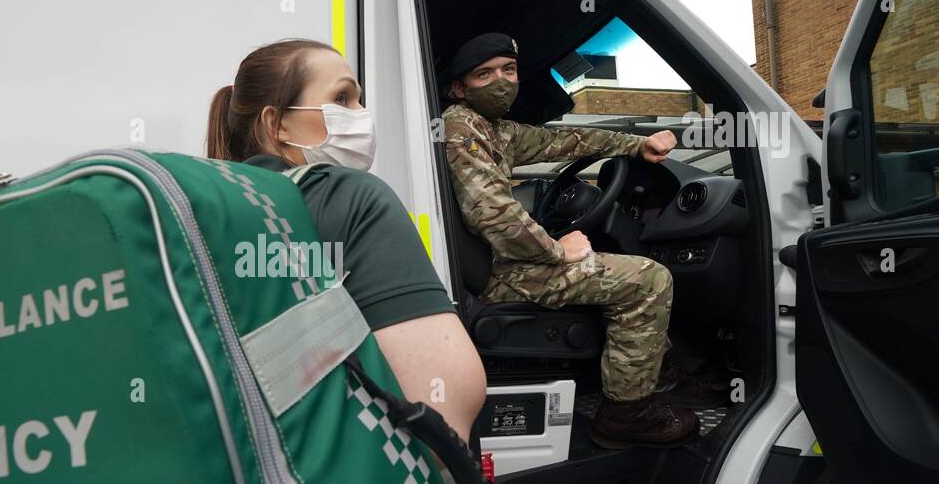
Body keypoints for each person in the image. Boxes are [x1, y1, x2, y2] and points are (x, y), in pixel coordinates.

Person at [206, 38, 486, 443]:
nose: (362, 114)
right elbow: (439, 415)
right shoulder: (351, 196)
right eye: (342, 98)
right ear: (277, 124)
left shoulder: (213, 207)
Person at [440, 32, 697, 449]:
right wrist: (559, 251)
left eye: (508, 70)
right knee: (649, 280)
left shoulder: (494, 130)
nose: (501, 81)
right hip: (498, 275)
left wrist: (636, 144)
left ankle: (656, 370)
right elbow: (496, 215)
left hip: (498, 263)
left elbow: (566, 141)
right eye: (484, 74)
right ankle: (626, 415)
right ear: (459, 87)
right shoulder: (460, 128)